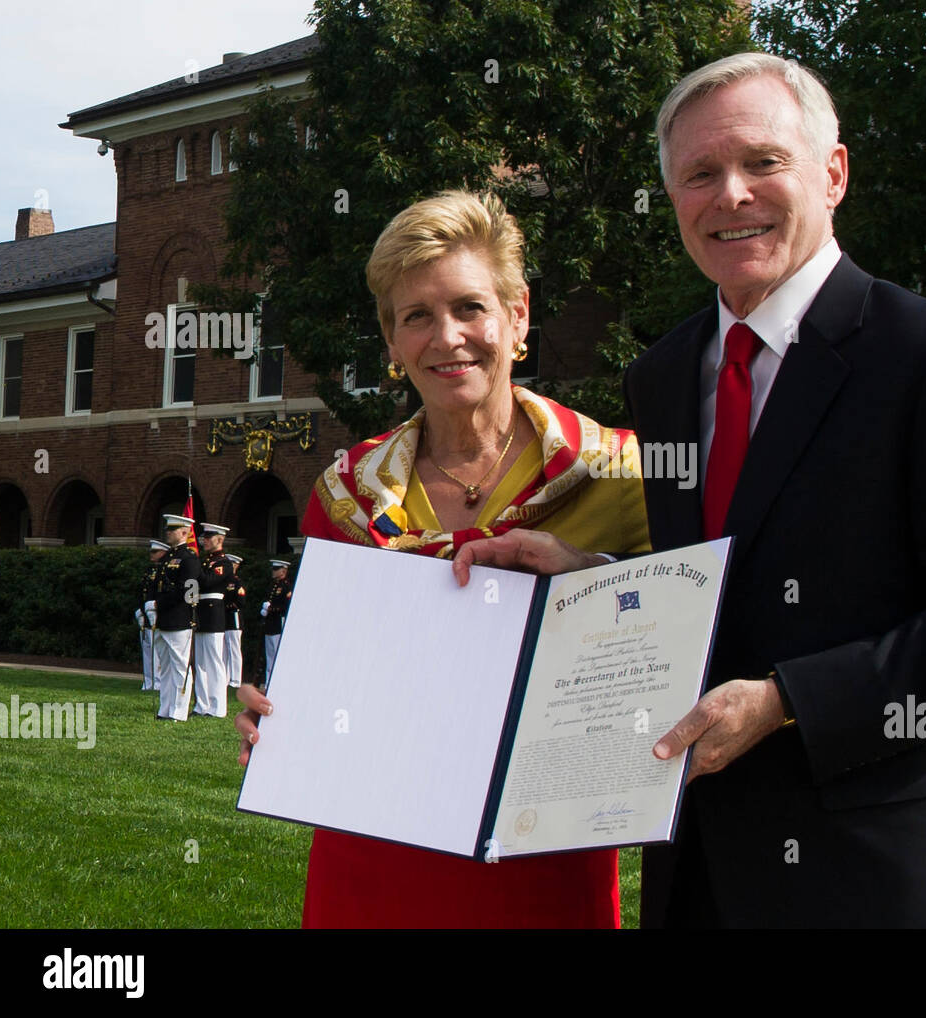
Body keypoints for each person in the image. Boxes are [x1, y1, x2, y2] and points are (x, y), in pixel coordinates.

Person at [620, 53, 926, 927]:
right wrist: (590, 578)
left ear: (832, 174)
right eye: (699, 173)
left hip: (877, 881)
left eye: (763, 162)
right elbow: (720, 586)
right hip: (698, 878)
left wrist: (789, 701)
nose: (730, 195)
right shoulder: (663, 376)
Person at [235, 190, 650, 929]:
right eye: (415, 316)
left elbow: (674, 651)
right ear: (391, 343)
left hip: (540, 858)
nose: (446, 336)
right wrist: (274, 716)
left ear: (518, 317)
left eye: (470, 307)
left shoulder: (619, 474)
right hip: (371, 855)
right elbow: (323, 664)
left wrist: (586, 577)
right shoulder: (346, 492)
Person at [148, 514, 201, 721]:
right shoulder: (168, 558)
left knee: (180, 668)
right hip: (163, 619)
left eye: (173, 529)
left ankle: (178, 712)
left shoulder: (189, 559)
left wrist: (158, 604)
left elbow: (187, 592)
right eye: (168, 529)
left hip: (179, 619)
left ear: (185, 532)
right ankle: (165, 708)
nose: (168, 532)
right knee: (166, 667)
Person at [192, 524, 232, 717]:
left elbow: (207, 582)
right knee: (200, 662)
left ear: (220, 539)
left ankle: (218, 707)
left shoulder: (224, 563)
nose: (204, 540)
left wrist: (194, 566)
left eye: (209, 537)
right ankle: (202, 705)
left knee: (214, 662)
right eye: (204, 537)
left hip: (213, 613)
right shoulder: (206, 562)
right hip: (201, 612)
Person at [135, 539, 168, 691]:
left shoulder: (165, 571)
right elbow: (142, 593)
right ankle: (148, 682)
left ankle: (157, 682)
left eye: (155, 552)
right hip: (146, 615)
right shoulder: (149, 571)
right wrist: (141, 611)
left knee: (156, 652)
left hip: (156, 615)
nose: (152, 554)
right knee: (147, 651)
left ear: (163, 553)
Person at [260, 560, 292, 683]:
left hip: (279, 623)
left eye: (276, 569)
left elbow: (286, 607)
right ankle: (269, 682)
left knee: (277, 654)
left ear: (283, 571)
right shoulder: (273, 586)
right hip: (270, 623)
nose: (273, 571)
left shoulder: (286, 587)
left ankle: (278, 681)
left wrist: (271, 609)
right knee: (270, 655)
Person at [223, 553, 244, 689]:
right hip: (223, 618)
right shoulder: (222, 581)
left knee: (234, 649)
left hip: (233, 617)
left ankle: (236, 679)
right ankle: (225, 677)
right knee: (224, 649)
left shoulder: (237, 582)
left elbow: (241, 601)